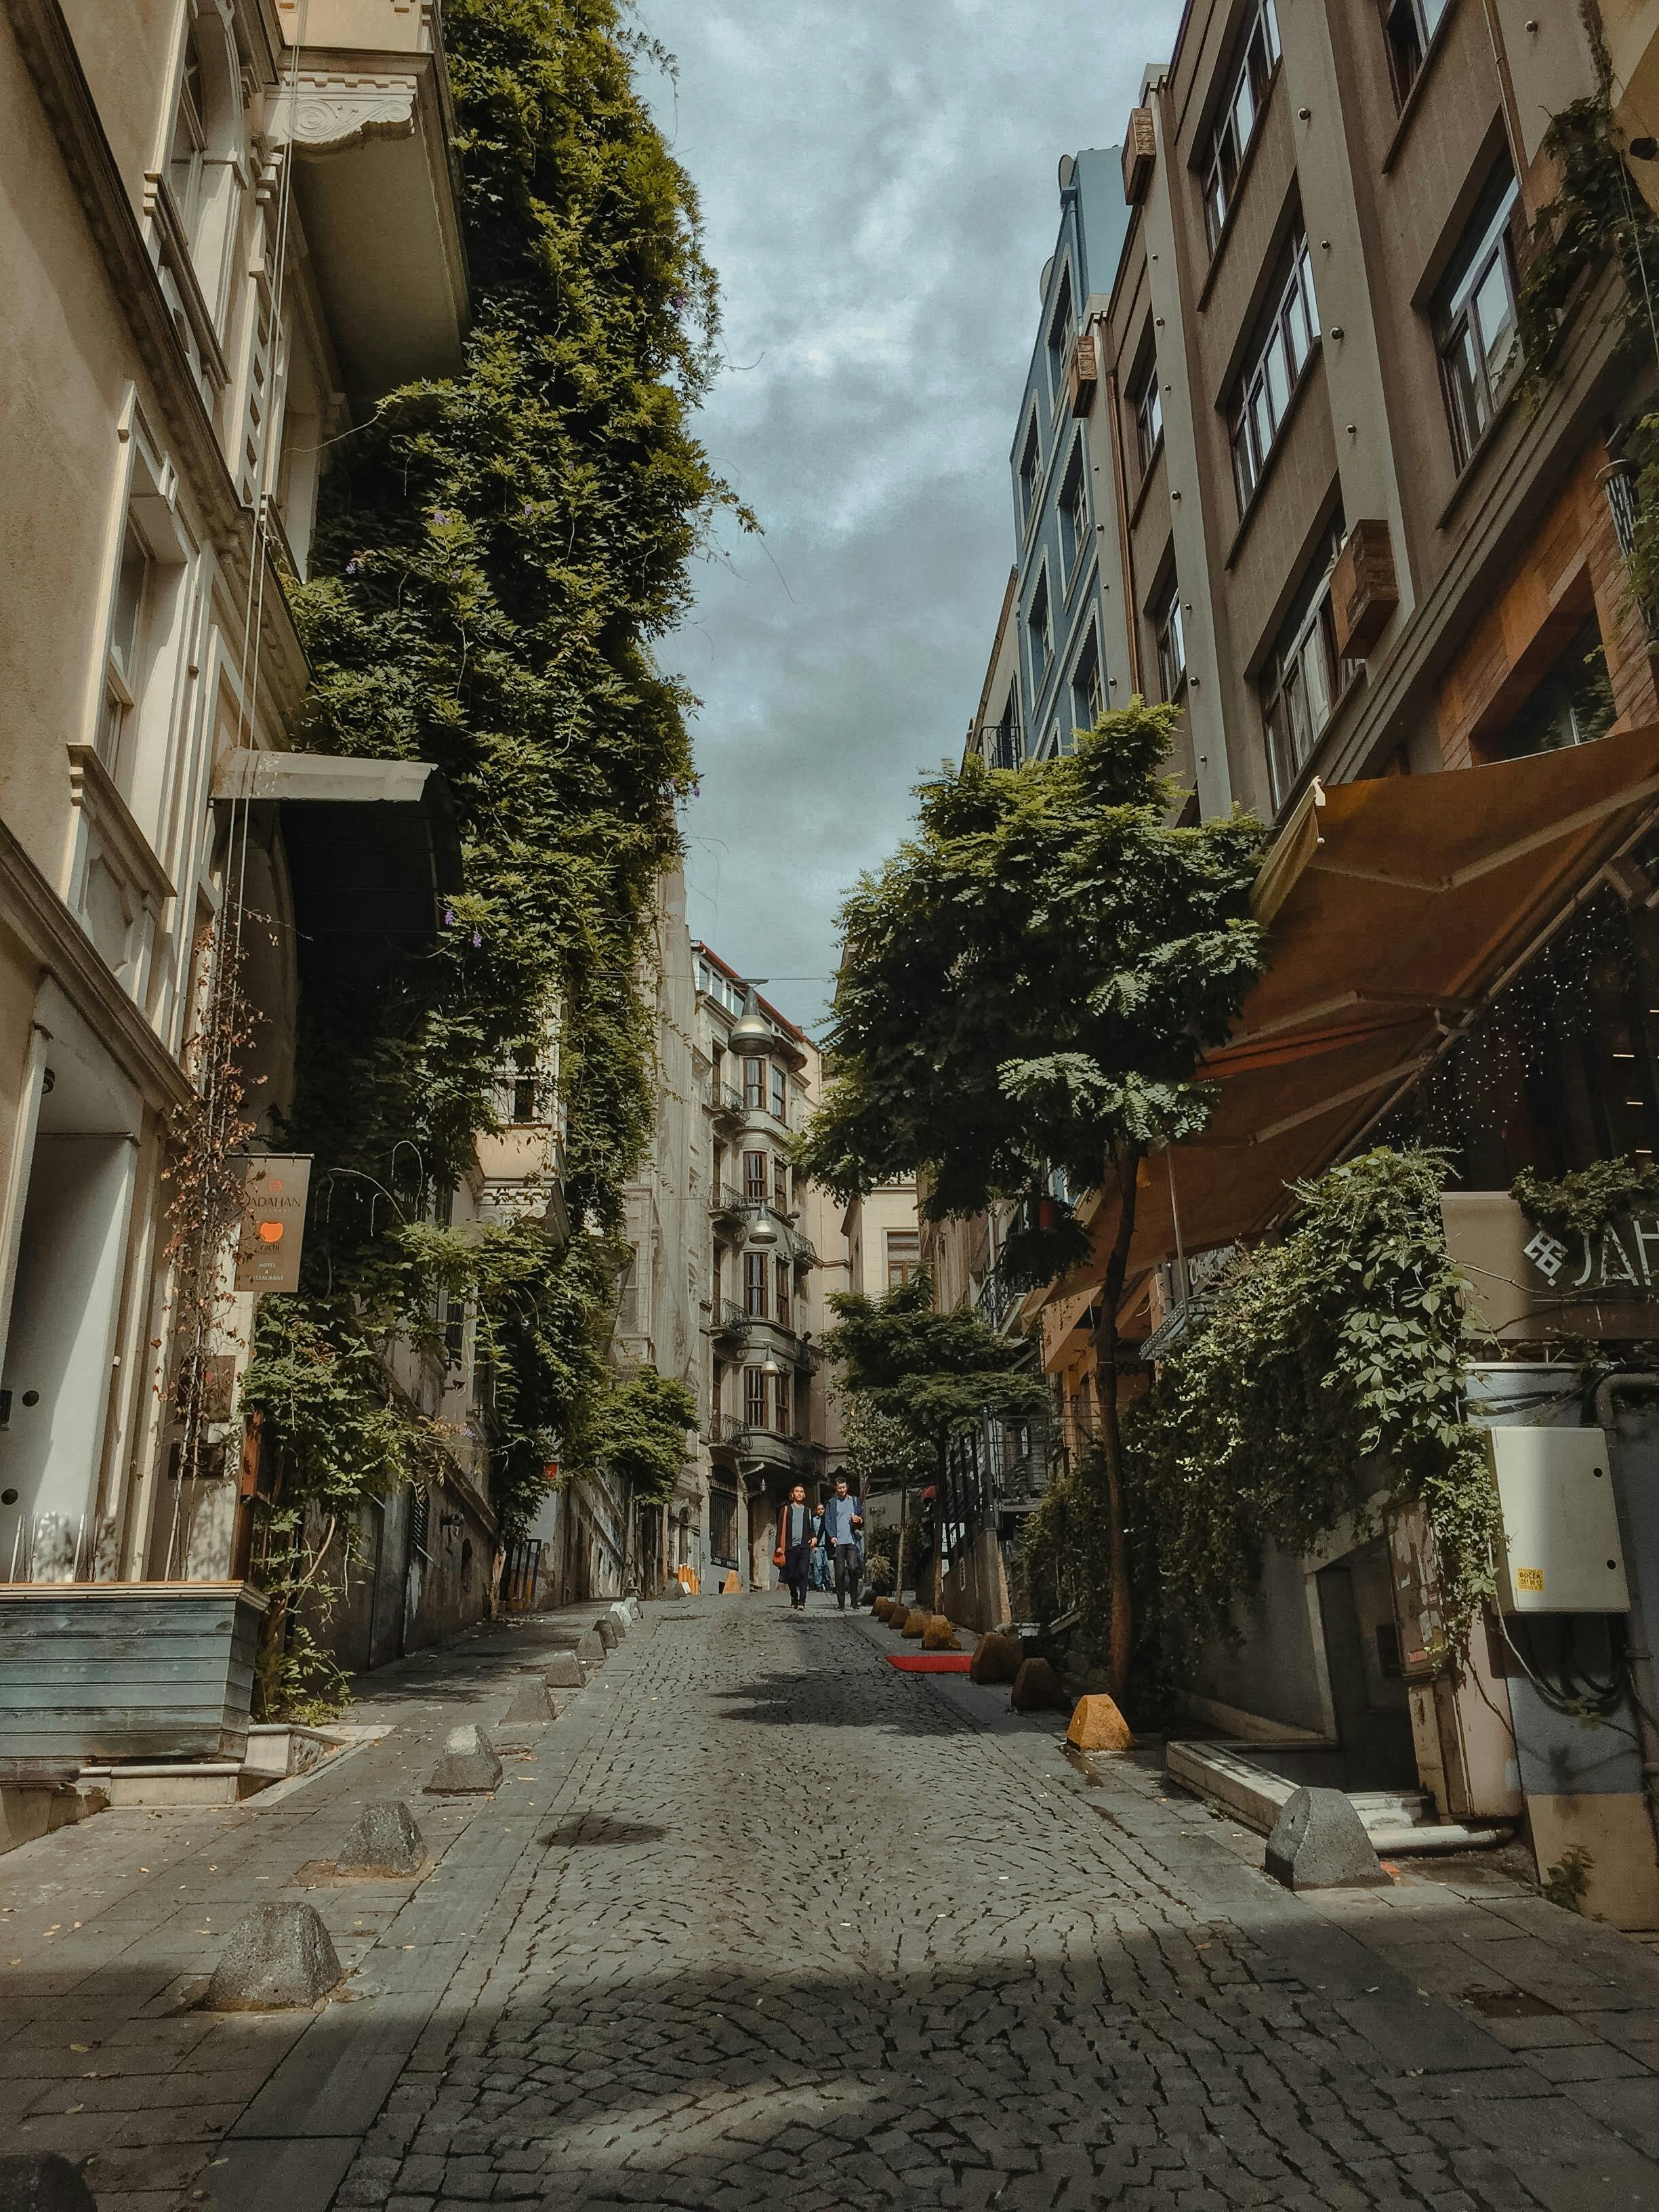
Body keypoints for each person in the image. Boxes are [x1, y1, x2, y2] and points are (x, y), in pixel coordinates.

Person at [821, 1476, 865, 1611]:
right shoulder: (832, 1503)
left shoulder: (854, 1501)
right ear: (836, 1488)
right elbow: (828, 1521)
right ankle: (841, 1603)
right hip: (838, 1542)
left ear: (847, 1487)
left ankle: (854, 1601)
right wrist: (832, 1536)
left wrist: (859, 1520)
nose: (842, 1490)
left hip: (851, 1541)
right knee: (839, 1573)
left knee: (853, 1568)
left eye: (844, 1488)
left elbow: (861, 1518)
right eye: (840, 1488)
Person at [777, 1483, 815, 1611]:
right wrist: (779, 1546)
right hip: (790, 1548)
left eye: (801, 1492)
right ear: (793, 1495)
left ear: (804, 1495)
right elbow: (780, 1529)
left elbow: (812, 1529)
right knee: (792, 1575)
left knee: (804, 1573)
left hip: (804, 1547)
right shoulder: (786, 1510)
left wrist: (814, 1537)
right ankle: (794, 1596)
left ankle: (802, 1601)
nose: (799, 1493)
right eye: (797, 1491)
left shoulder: (808, 1511)